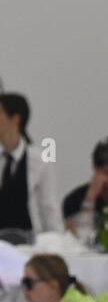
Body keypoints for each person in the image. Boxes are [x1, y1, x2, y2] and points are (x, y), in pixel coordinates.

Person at [0, 93, 60, 235]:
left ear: (15, 119)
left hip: (27, 241)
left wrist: (56, 240)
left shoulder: (39, 160)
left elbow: (48, 206)